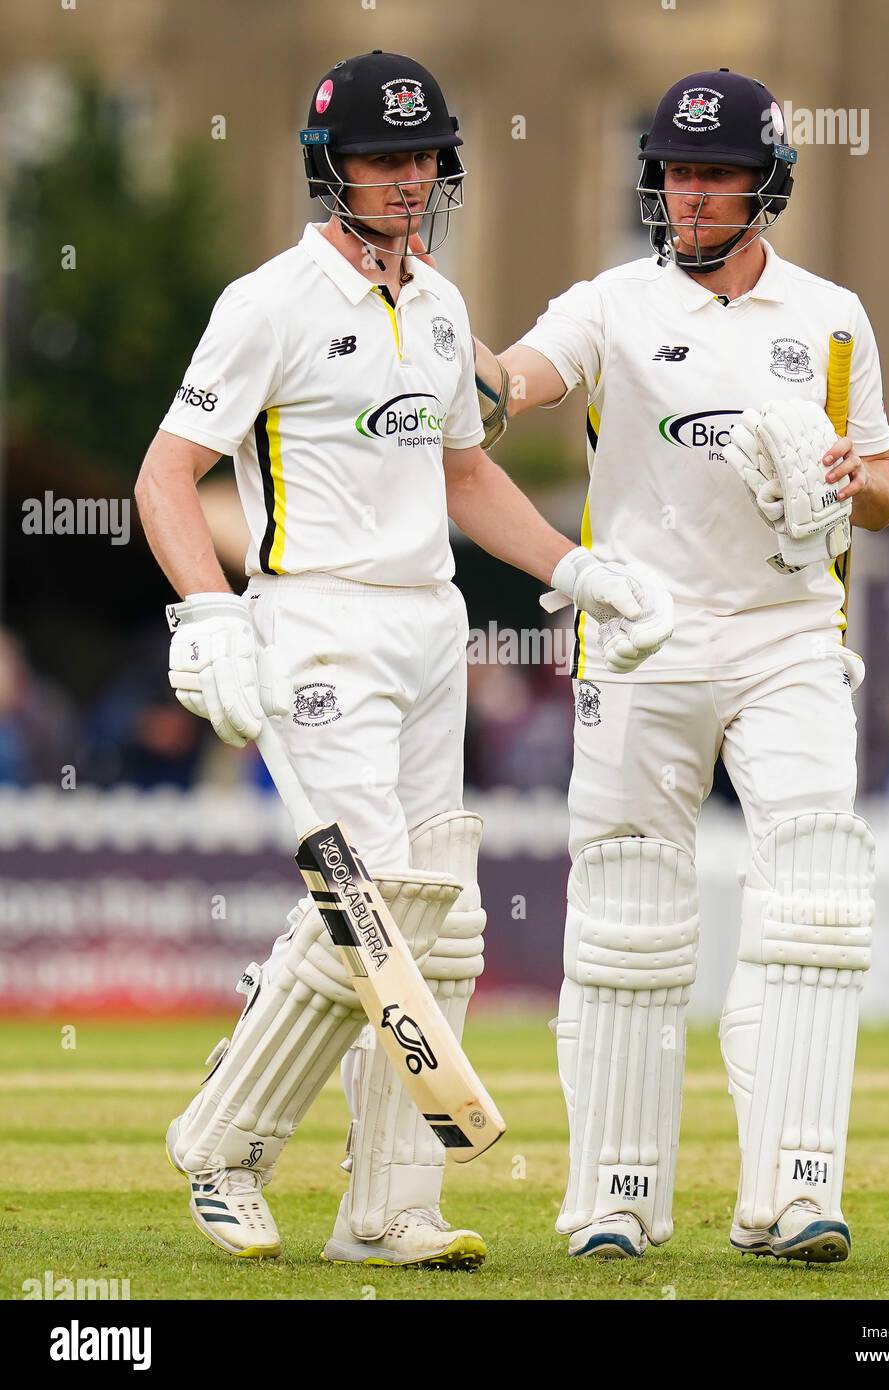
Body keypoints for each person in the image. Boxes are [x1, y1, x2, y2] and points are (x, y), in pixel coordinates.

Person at [135, 50, 672, 1270]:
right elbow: (167, 475)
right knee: (366, 907)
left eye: (423, 157)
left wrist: (574, 567)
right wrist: (210, 615)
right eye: (383, 159)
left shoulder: (438, 305)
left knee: (440, 926)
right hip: (315, 618)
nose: (407, 180)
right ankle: (223, 1143)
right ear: (333, 170)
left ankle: (387, 1209)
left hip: (430, 623)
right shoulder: (267, 301)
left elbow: (464, 474)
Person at [475, 67, 889, 1262]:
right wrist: (467, 374)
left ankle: (792, 1187)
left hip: (786, 635)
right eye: (675, 172)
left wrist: (842, 481)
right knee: (624, 910)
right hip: (641, 633)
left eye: (716, 175)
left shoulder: (830, 315)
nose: (693, 195)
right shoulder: (612, 300)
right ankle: (615, 1195)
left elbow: (883, 484)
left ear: (765, 185)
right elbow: (522, 377)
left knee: (815, 889)